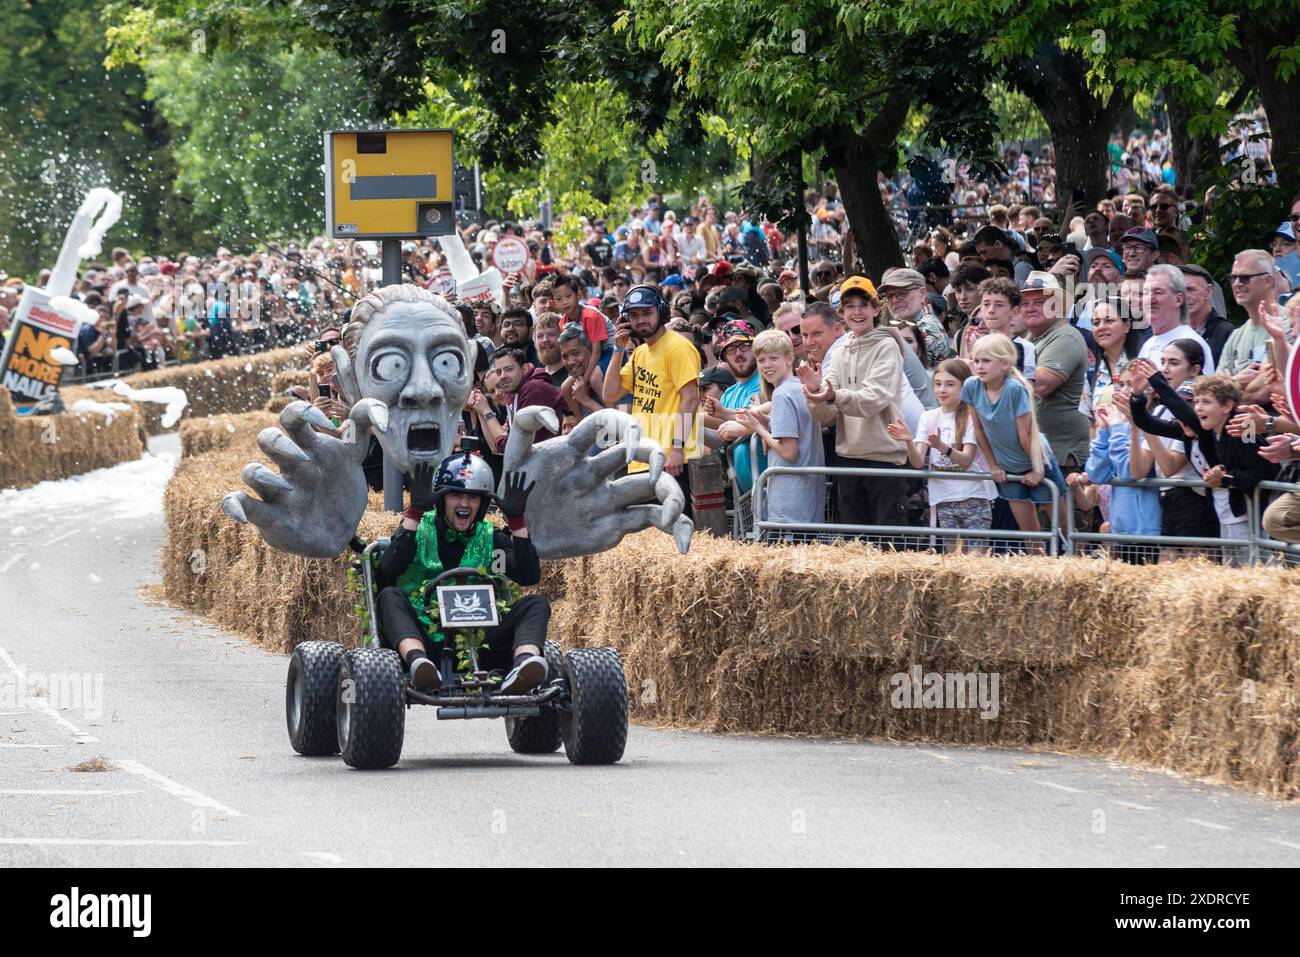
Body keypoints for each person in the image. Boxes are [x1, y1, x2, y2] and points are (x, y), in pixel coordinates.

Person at [375, 453, 550, 694]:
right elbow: (388, 569)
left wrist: (518, 522)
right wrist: (414, 513)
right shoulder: (420, 530)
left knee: (536, 604)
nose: (464, 504)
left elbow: (528, 576)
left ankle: (522, 668)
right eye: (456, 495)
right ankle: (418, 663)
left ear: (481, 505)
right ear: (441, 500)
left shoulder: (491, 538)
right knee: (389, 596)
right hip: (429, 642)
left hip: (483, 645)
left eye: (472, 498)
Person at [1128, 367, 1277, 565]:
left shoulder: (1245, 426)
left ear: (1227, 406)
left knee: (1256, 571)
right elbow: (1149, 424)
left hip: (1249, 515)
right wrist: (1137, 397)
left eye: (1205, 402)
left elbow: (1266, 470)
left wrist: (1156, 379)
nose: (1197, 408)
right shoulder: (1202, 430)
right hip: (1223, 515)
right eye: (1196, 402)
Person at [798, 278, 909, 530]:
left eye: (863, 305)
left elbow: (874, 399)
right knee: (855, 545)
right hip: (848, 457)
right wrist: (815, 391)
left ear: (876, 309)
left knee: (889, 545)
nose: (857, 312)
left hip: (885, 459)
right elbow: (826, 416)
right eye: (850, 306)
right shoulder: (839, 352)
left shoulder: (887, 345)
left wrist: (830, 395)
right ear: (842, 313)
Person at [601, 283, 702, 507]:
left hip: (673, 458)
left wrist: (677, 447)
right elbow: (610, 394)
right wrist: (618, 349)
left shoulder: (677, 347)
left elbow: (690, 398)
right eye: (634, 315)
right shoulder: (639, 352)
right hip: (645, 457)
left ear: (662, 312)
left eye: (647, 313)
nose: (640, 320)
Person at [964, 334, 1068, 540]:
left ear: (1004, 363)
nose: (979, 366)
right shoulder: (971, 386)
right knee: (1029, 532)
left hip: (1037, 458)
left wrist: (1038, 469)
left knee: (1063, 524)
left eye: (986, 360)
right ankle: (1034, 565)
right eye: (976, 361)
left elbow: (1025, 434)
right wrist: (994, 465)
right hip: (1007, 465)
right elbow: (979, 431)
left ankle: (1075, 560)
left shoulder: (1015, 389)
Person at [886, 357, 996, 552]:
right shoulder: (928, 417)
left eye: (950, 384)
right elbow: (918, 461)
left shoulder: (971, 416)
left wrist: (941, 446)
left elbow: (966, 460)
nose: (942, 390)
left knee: (976, 559)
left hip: (973, 497)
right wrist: (908, 441)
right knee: (952, 558)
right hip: (944, 500)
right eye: (937, 384)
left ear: (964, 387)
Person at [737, 329, 824, 528]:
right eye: (761, 360)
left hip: (790, 505)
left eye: (773, 358)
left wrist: (757, 427)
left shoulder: (782, 395)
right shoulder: (797, 387)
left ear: (789, 358)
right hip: (808, 501)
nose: (767, 365)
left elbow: (789, 451)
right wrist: (765, 420)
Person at [476, 348, 569, 453]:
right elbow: (497, 447)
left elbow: (515, 449)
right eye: (499, 372)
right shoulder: (514, 392)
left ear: (524, 369)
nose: (502, 376)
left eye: (509, 369)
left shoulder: (533, 388)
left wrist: (486, 412)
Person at [1136, 264, 1216, 373]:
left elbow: (1203, 389)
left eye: (1158, 292)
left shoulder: (1191, 343)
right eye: (1146, 292)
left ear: (1178, 299)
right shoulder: (1148, 344)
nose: (1150, 299)